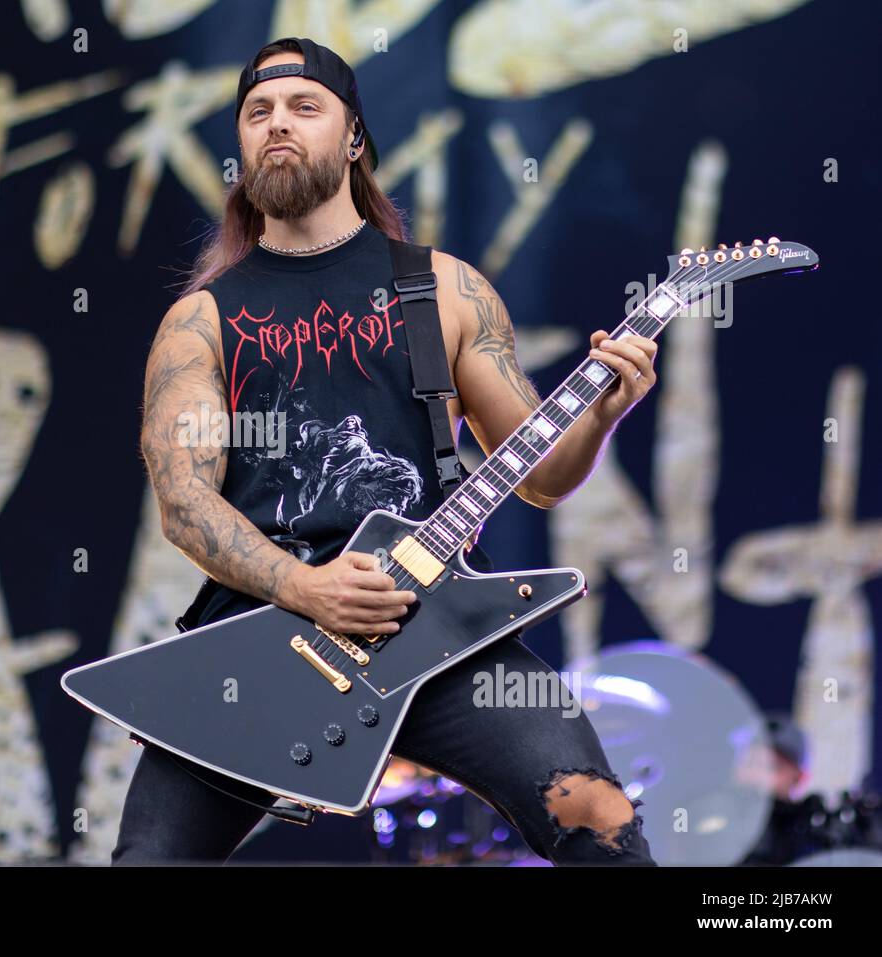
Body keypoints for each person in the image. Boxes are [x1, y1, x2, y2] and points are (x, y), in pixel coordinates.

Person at [116, 36, 660, 865]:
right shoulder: (199, 322)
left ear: (355, 138)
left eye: (305, 107)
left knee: (599, 817)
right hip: (267, 638)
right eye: (257, 113)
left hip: (441, 626)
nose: (278, 126)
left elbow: (542, 474)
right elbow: (184, 505)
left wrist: (605, 410)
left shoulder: (443, 286)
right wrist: (307, 585)